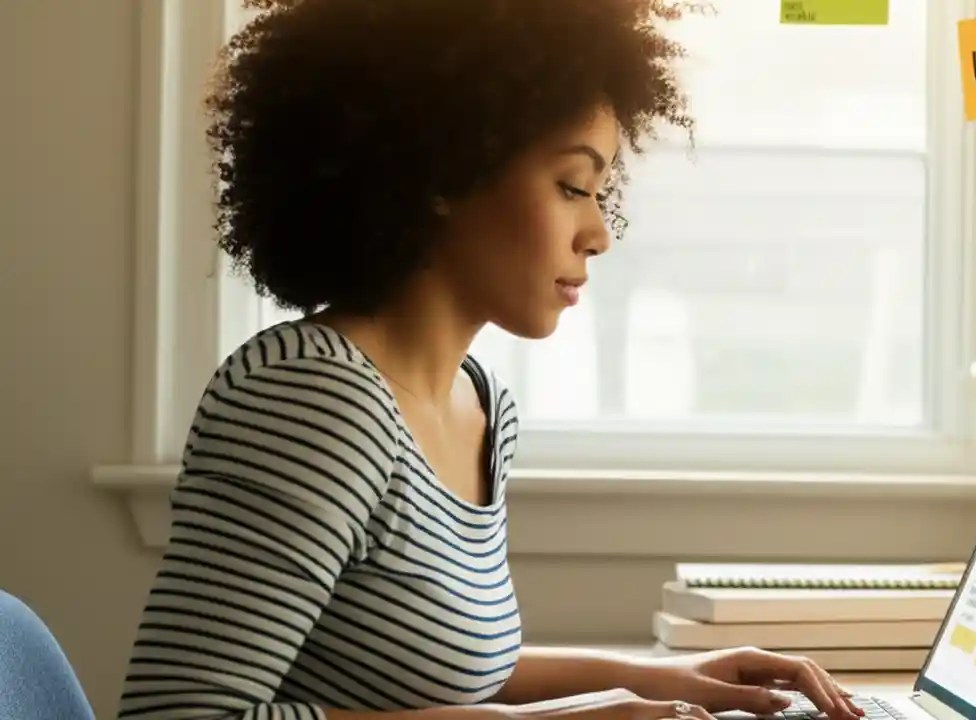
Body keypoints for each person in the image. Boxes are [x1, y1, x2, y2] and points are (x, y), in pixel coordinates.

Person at [117, 1, 866, 719]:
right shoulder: (310, 403)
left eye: (602, 193)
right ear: (446, 171)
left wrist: (666, 679)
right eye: (573, 186)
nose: (599, 234)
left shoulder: (478, 404)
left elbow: (450, 673)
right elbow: (178, 714)